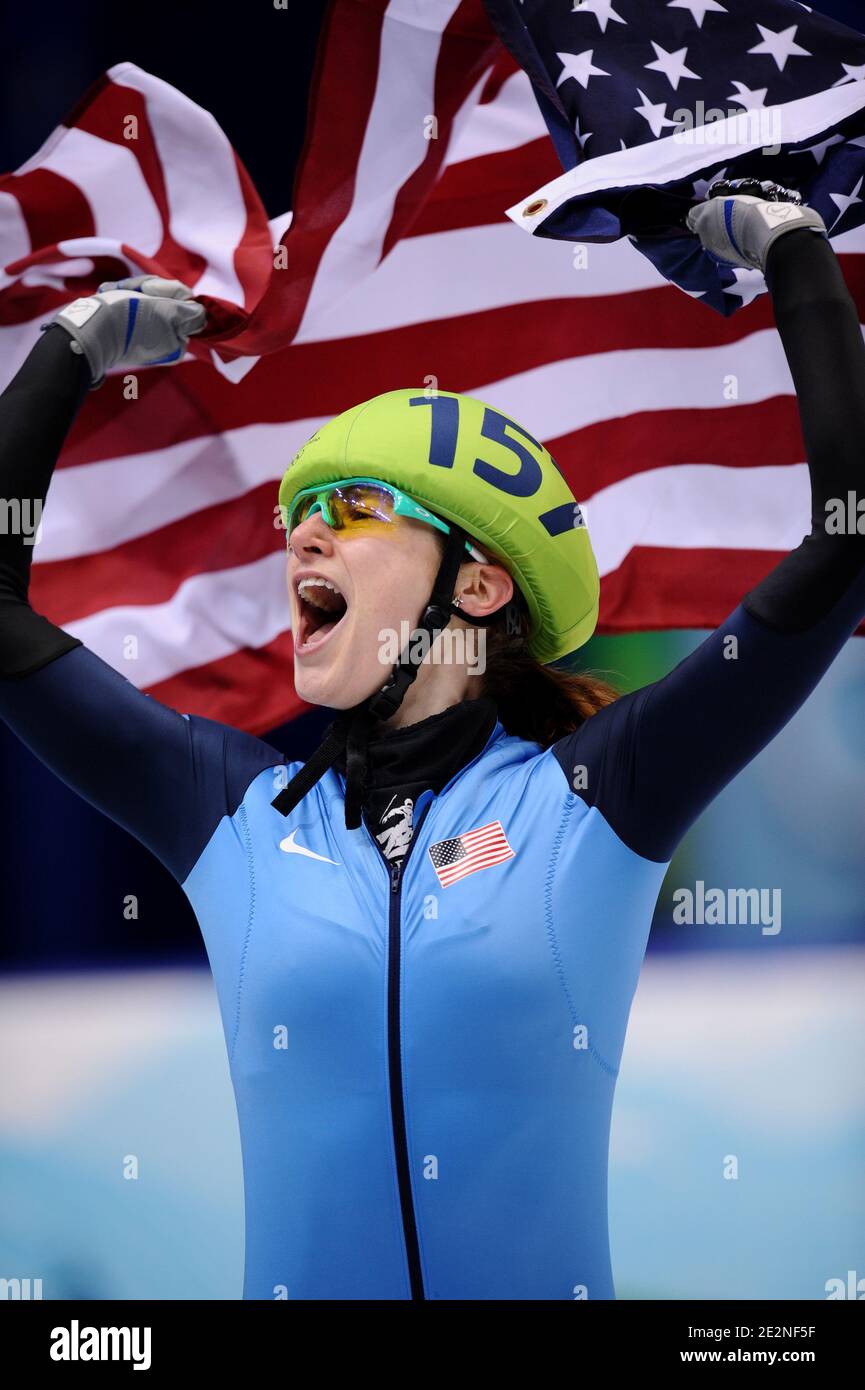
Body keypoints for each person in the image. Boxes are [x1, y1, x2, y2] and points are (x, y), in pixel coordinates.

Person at [0, 185, 862, 1300]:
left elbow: (844, 535)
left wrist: (796, 252)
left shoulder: (595, 796)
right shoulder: (229, 809)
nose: (302, 530)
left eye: (353, 506)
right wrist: (75, 346)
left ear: (477, 581)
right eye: (298, 513)